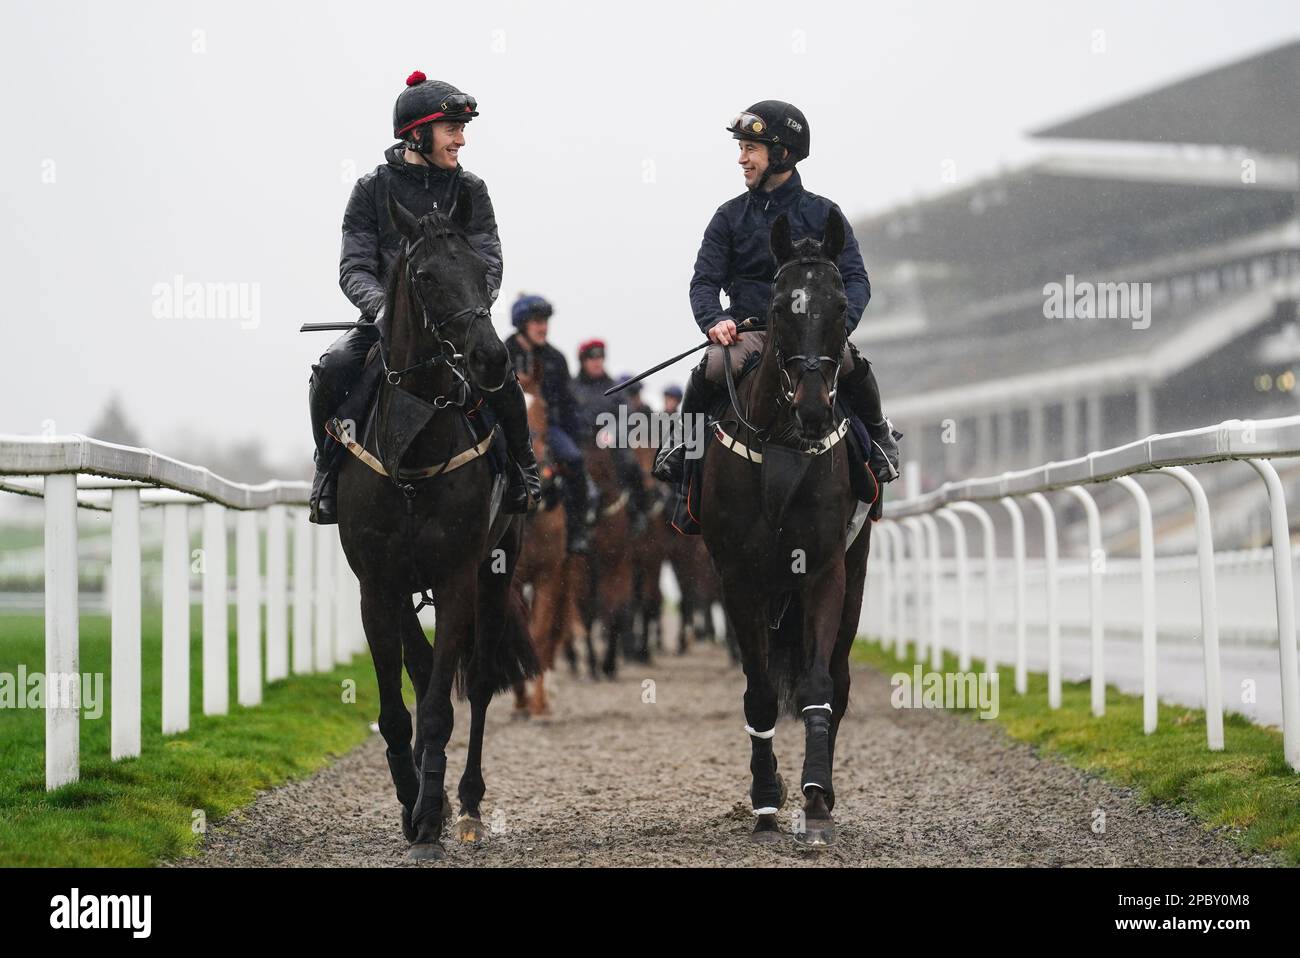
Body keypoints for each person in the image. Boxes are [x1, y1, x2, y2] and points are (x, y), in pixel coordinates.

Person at [307, 70, 541, 524]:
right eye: (452, 130)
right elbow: (353, 267)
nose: (461, 141)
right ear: (417, 134)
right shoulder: (371, 189)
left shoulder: (471, 189)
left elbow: (488, 259)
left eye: (463, 131)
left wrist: (470, 305)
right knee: (331, 371)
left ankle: (521, 469)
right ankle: (327, 473)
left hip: (458, 324)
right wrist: (382, 309)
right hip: (384, 326)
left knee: (500, 372)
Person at [652, 100, 901, 487]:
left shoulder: (824, 214)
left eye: (750, 149)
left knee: (854, 365)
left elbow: (856, 280)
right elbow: (703, 283)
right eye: (741, 149)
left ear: (781, 153)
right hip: (747, 336)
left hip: (814, 337)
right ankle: (682, 446)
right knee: (711, 367)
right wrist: (715, 321)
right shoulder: (728, 217)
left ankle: (880, 439)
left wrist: (839, 328)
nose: (741, 159)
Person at [505, 293, 593, 554]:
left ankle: (577, 531)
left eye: (546, 321)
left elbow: (567, 404)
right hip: (507, 429)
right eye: (537, 321)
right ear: (522, 324)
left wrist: (575, 436)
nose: (543, 327)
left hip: (549, 430)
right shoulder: (502, 353)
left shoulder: (556, 358)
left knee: (576, 461)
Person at [570, 340, 649, 533]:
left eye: (600, 358)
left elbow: (630, 417)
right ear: (583, 361)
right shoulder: (572, 388)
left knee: (631, 464)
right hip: (582, 444)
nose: (597, 362)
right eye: (592, 358)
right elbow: (566, 416)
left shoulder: (615, 388)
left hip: (612, 446)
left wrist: (612, 432)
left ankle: (637, 511)